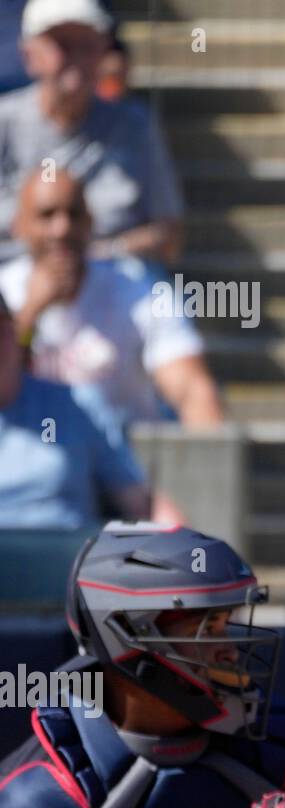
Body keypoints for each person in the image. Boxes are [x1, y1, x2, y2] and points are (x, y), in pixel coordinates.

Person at [0, 523, 285, 808]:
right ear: (129, 637)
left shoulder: (280, 744)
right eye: (206, 630)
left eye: (225, 624)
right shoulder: (45, 795)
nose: (232, 652)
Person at [0, 168, 222, 430]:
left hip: (124, 463)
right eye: (46, 215)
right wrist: (31, 312)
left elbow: (191, 389)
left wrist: (211, 456)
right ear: (18, 225)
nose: (62, 228)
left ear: (90, 223)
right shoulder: (5, 290)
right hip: (32, 460)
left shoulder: (138, 290)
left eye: (74, 214)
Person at [0, 0, 184, 263]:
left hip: (112, 278)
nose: (75, 57)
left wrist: (100, 257)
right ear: (29, 55)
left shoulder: (135, 123)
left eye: (86, 46)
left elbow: (168, 234)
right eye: (63, 45)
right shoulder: (4, 122)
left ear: (104, 53)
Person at [0, 289, 180, 528]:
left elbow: (142, 502)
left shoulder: (78, 405)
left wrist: (190, 553)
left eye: (0, 332)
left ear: (14, 335)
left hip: (63, 559)